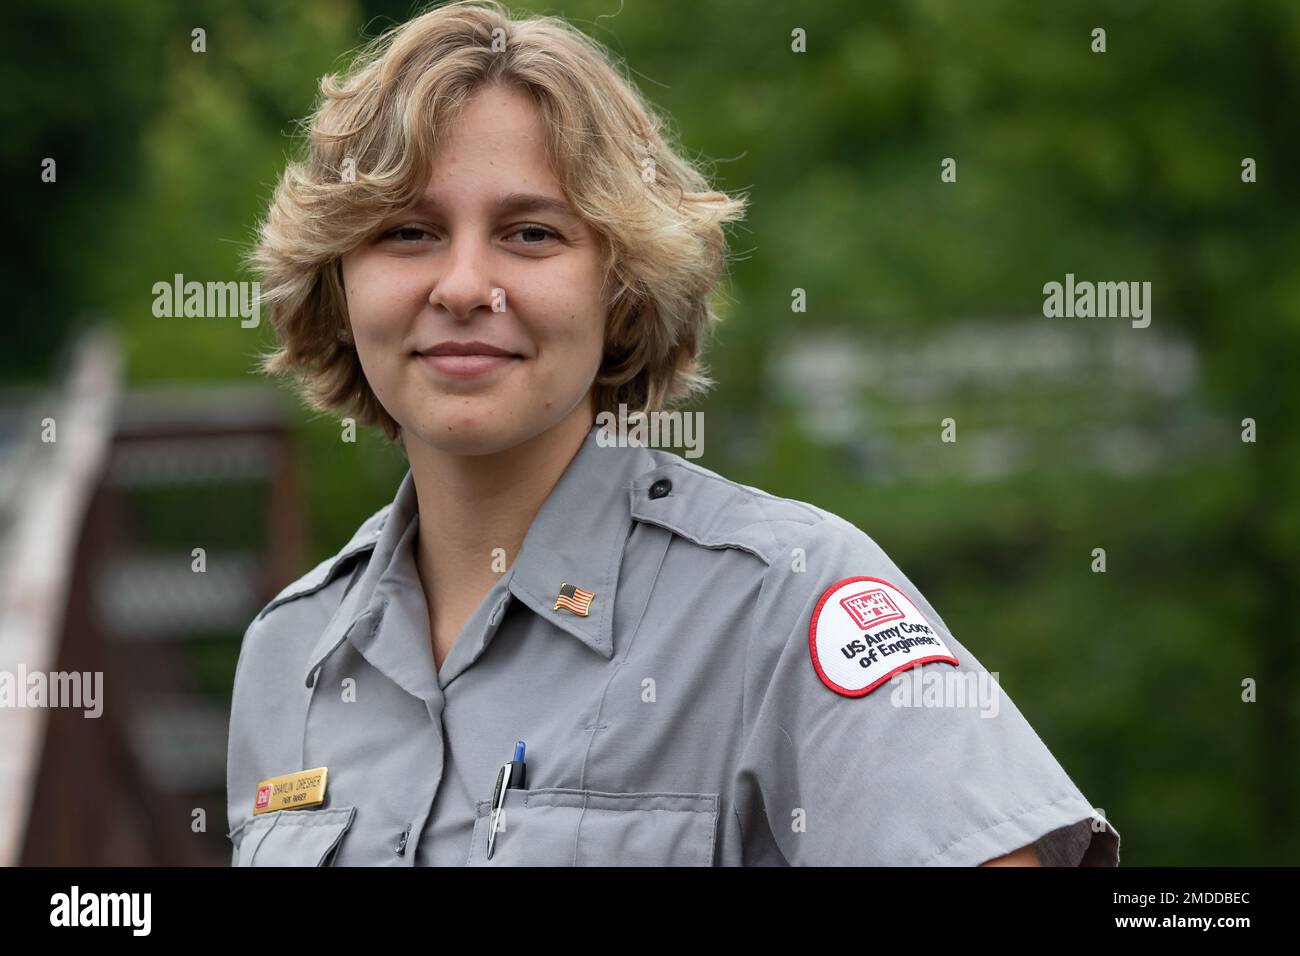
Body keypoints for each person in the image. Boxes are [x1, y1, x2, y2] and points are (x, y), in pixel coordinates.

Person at [226, 0, 1120, 867]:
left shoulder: (785, 601)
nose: (464, 286)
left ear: (623, 286)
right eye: (408, 231)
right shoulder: (290, 654)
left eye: (530, 233)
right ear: (337, 284)